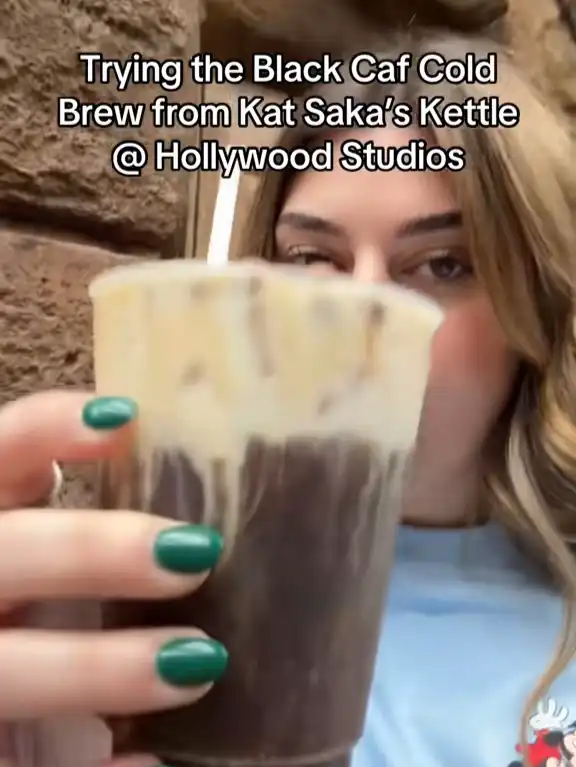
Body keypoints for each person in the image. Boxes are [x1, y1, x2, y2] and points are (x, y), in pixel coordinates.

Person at [1, 28, 576, 767]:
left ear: (536, 311)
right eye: (311, 259)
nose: (358, 317)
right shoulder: (150, 615)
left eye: (442, 264)